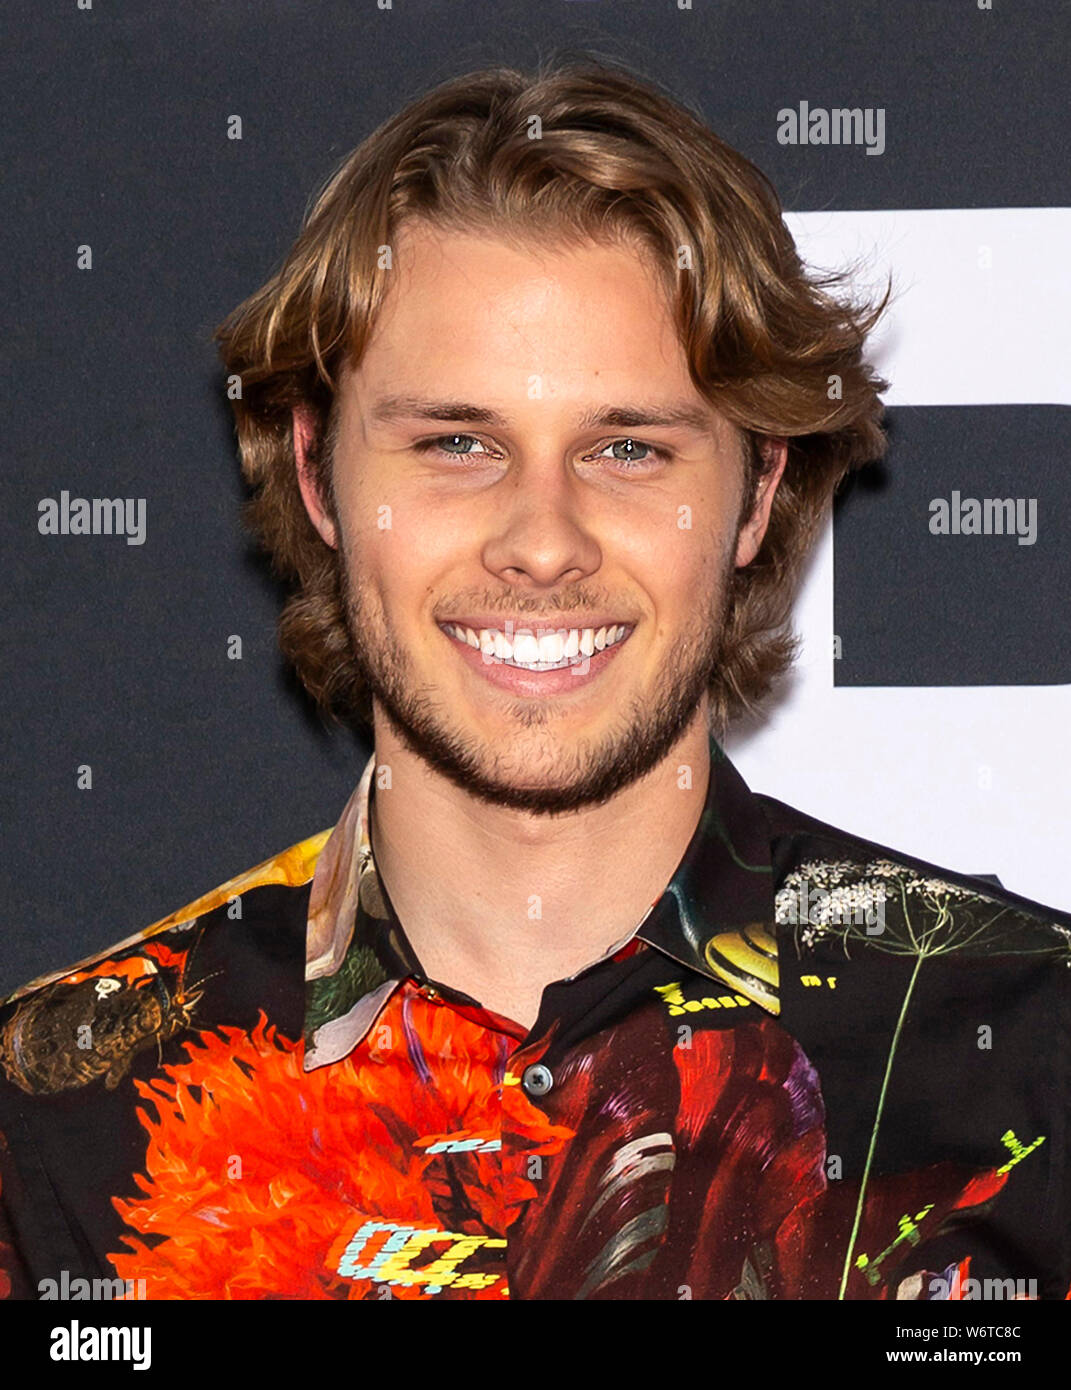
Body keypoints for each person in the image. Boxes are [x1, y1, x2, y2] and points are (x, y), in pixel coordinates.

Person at [2, 57, 1068, 1303]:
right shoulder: (57, 1135)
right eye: (458, 443)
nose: (544, 539)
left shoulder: (1035, 1075)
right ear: (312, 470)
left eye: (627, 446)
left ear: (759, 490)